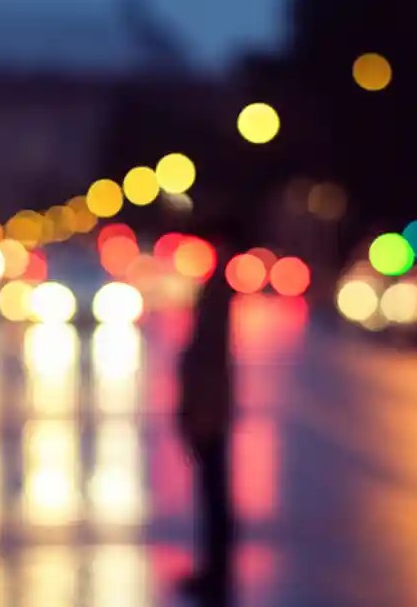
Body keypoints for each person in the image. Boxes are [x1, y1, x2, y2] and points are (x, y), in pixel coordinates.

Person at [177, 217, 238, 602]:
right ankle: (215, 572)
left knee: (214, 495)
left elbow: (209, 358)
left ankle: (217, 575)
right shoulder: (217, 287)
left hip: (209, 409)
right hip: (209, 406)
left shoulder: (217, 290)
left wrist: (200, 411)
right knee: (212, 494)